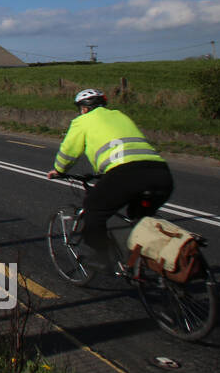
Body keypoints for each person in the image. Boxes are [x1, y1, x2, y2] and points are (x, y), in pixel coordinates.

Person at [46, 88, 173, 269]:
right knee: (140, 217)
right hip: (160, 173)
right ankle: (144, 262)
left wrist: (59, 170)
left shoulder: (82, 121)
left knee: (93, 212)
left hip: (126, 174)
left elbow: (69, 151)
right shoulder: (121, 116)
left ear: (83, 108)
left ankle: (102, 257)